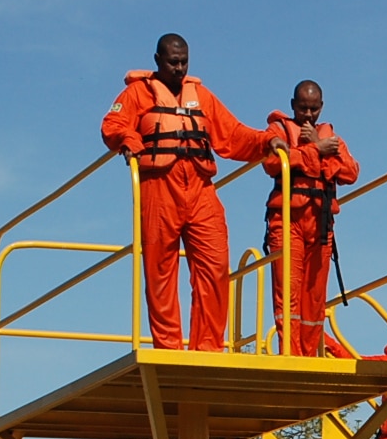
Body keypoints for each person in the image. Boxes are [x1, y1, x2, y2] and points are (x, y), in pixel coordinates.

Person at [100, 33, 277, 353]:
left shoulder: (202, 97)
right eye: (173, 62)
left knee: (214, 267)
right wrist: (128, 140)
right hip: (159, 188)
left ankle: (207, 348)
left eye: (184, 62)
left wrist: (266, 141)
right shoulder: (137, 93)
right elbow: (113, 124)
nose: (179, 68)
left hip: (200, 189)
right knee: (160, 272)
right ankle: (168, 349)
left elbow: (233, 135)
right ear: (157, 61)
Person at [262, 80, 361, 358]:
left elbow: (351, 173)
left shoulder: (331, 138)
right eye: (303, 108)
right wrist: (315, 151)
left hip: (321, 223)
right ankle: (290, 355)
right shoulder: (278, 130)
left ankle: (308, 354)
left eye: (313, 109)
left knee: (315, 297)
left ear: (321, 107)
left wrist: (316, 146)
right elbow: (271, 163)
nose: (308, 115)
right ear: (293, 105)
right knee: (288, 291)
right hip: (287, 220)